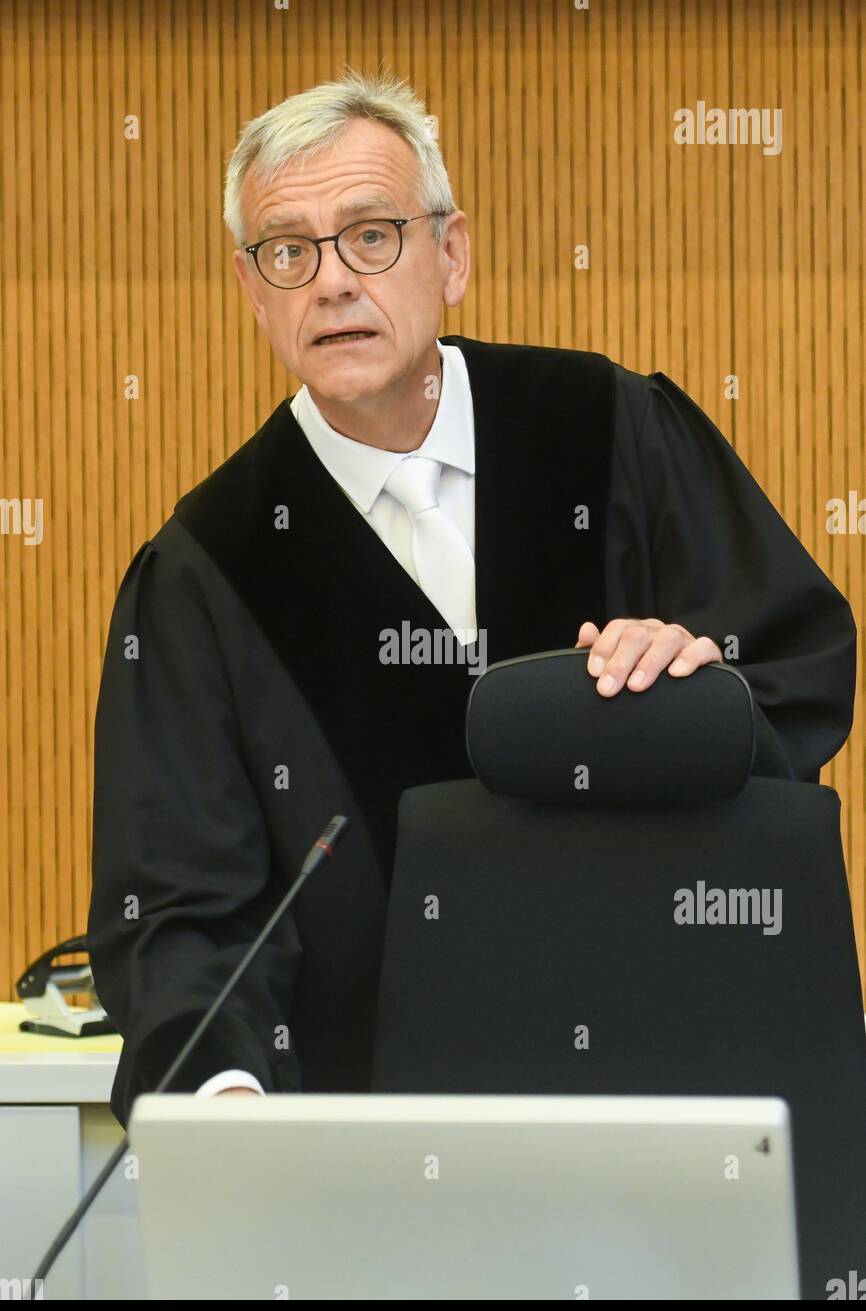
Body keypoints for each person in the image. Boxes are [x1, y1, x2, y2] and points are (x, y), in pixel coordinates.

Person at [87, 68, 856, 1129]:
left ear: (449, 253)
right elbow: (177, 914)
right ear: (251, 291)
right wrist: (225, 1109)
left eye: (370, 234)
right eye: (287, 250)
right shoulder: (204, 572)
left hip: (680, 1100)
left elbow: (795, 668)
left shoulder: (605, 429)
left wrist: (694, 686)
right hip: (373, 1151)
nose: (331, 282)